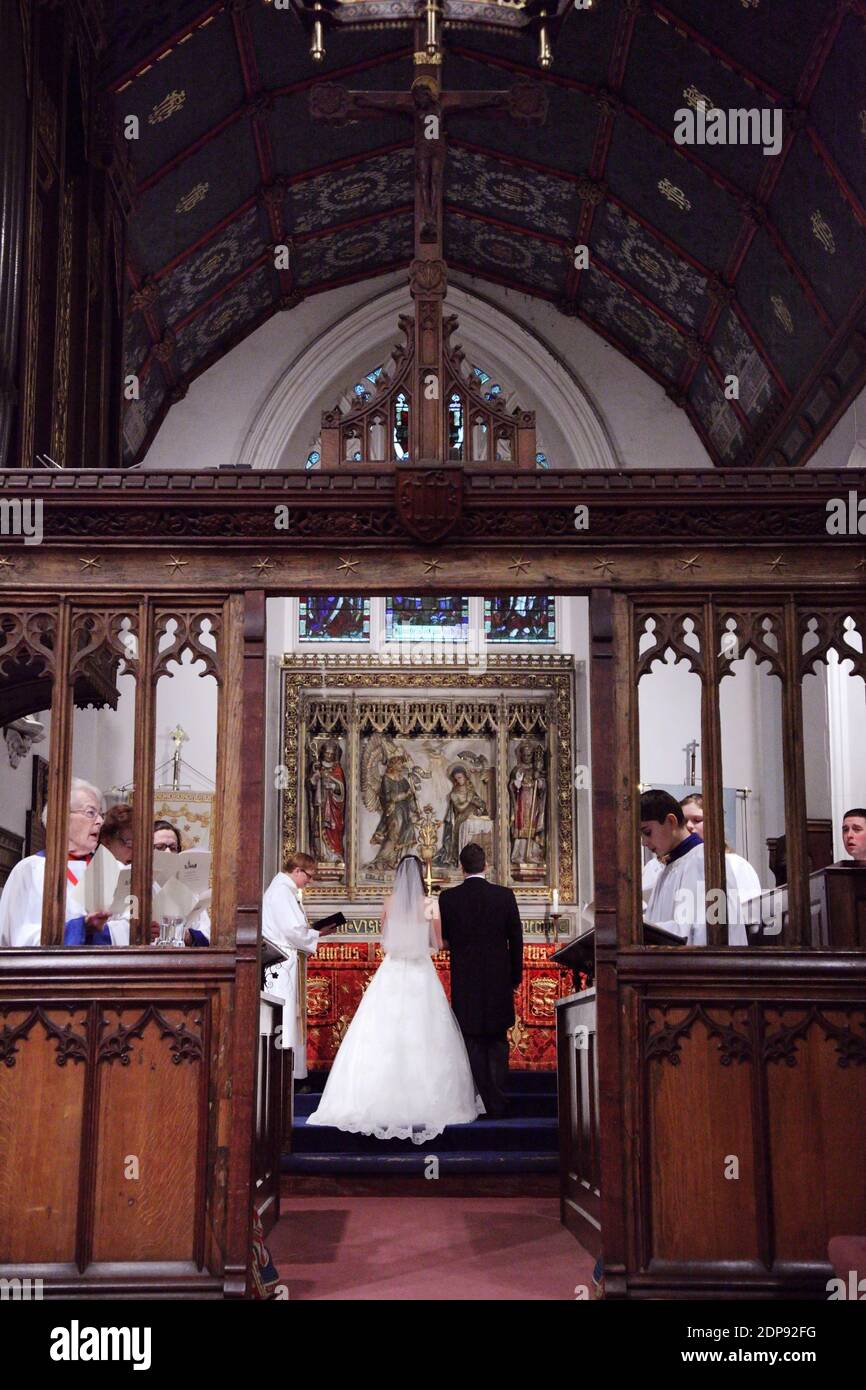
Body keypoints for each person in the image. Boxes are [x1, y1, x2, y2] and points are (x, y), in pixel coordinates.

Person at [306, 854, 482, 1142]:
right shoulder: (429, 904)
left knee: (382, 1032)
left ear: (397, 875)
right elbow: (436, 944)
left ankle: (378, 1097)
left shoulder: (389, 902)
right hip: (420, 972)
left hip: (393, 970)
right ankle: (428, 1100)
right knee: (425, 1032)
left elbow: (384, 938)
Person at [437, 842, 523, 1119]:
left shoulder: (448, 898)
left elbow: (446, 939)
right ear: (485, 865)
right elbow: (516, 940)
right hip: (498, 977)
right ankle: (497, 1101)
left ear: (461, 868)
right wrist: (515, 975)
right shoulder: (504, 895)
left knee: (471, 1039)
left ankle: (476, 1100)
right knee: (497, 1039)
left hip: (466, 978)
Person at [0, 778, 112, 947]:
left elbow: (124, 927)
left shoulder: (109, 870)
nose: (100, 821)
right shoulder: (30, 870)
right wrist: (81, 928)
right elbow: (20, 937)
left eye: (100, 815)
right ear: (62, 818)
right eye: (91, 813)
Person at [640, 788, 748, 946]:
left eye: (647, 832)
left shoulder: (703, 860)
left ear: (671, 821)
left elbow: (698, 932)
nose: (644, 842)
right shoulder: (670, 866)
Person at [262, 850, 335, 1080]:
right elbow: (292, 930)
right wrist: (315, 933)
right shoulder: (282, 891)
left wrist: (313, 933)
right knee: (284, 1016)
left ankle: (289, 1072)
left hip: (283, 960)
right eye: (308, 876)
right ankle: (284, 1075)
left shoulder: (284, 889)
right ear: (296, 871)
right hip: (281, 962)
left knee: (289, 1015)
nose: (309, 881)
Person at [642, 793, 762, 912]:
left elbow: (746, 916)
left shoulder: (721, 863)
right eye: (684, 821)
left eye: (697, 820)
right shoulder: (665, 867)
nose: (688, 826)